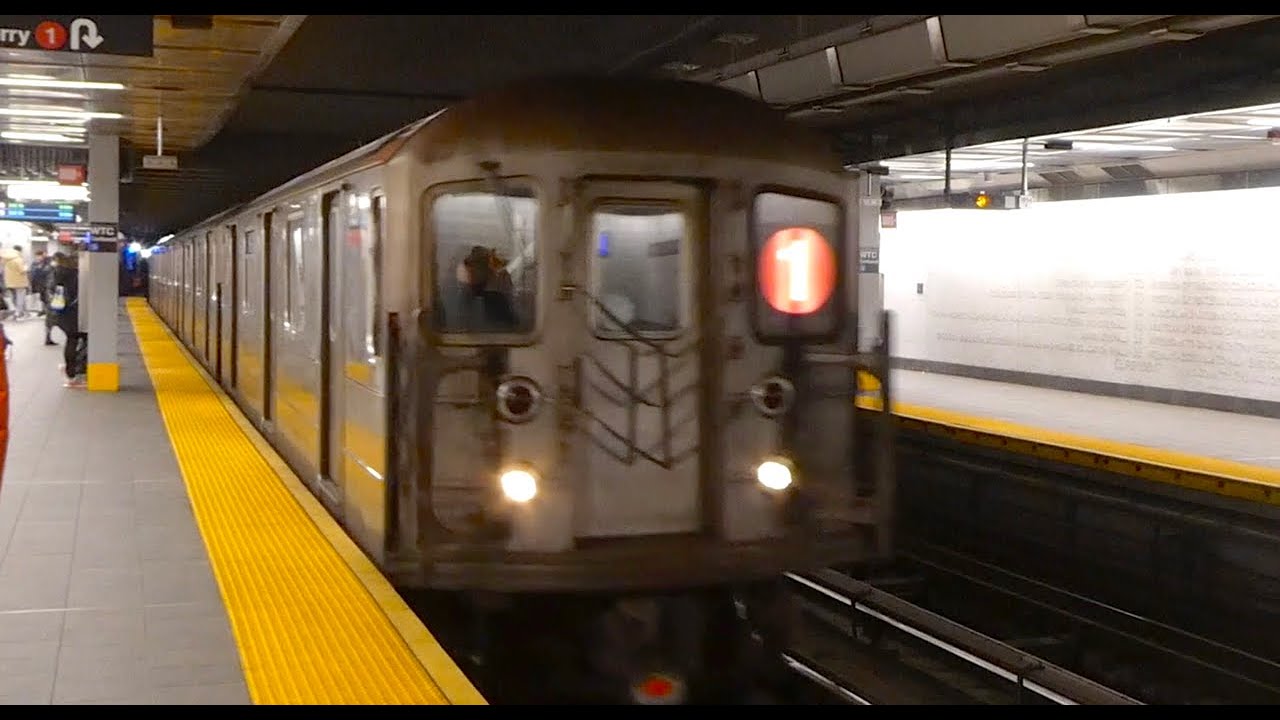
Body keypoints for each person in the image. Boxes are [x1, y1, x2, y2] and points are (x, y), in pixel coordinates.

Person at [48, 252, 86, 388]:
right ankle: (72, 374)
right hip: (76, 312)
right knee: (80, 340)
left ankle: (72, 372)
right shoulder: (77, 275)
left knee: (72, 340)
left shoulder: (56, 273)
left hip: (62, 312)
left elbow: (52, 290)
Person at [0, 245, 28, 320]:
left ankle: (14, 311)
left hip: (9, 281)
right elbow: (22, 270)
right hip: (20, 282)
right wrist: (26, 268)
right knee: (20, 297)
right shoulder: (18, 259)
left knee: (13, 297)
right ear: (20, 251)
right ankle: (18, 313)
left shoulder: (5, 259)